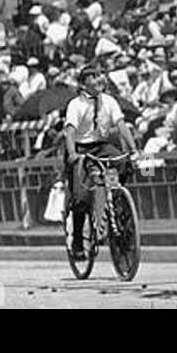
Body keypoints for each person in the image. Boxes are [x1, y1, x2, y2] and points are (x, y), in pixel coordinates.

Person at [62, 68, 137, 261]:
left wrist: (134, 149)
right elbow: (70, 131)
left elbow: (121, 126)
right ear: (83, 84)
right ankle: (78, 240)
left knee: (123, 161)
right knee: (81, 198)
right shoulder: (75, 105)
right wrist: (72, 154)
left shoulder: (109, 101)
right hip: (81, 148)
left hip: (102, 145)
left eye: (99, 76)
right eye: (92, 78)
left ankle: (118, 199)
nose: (98, 80)